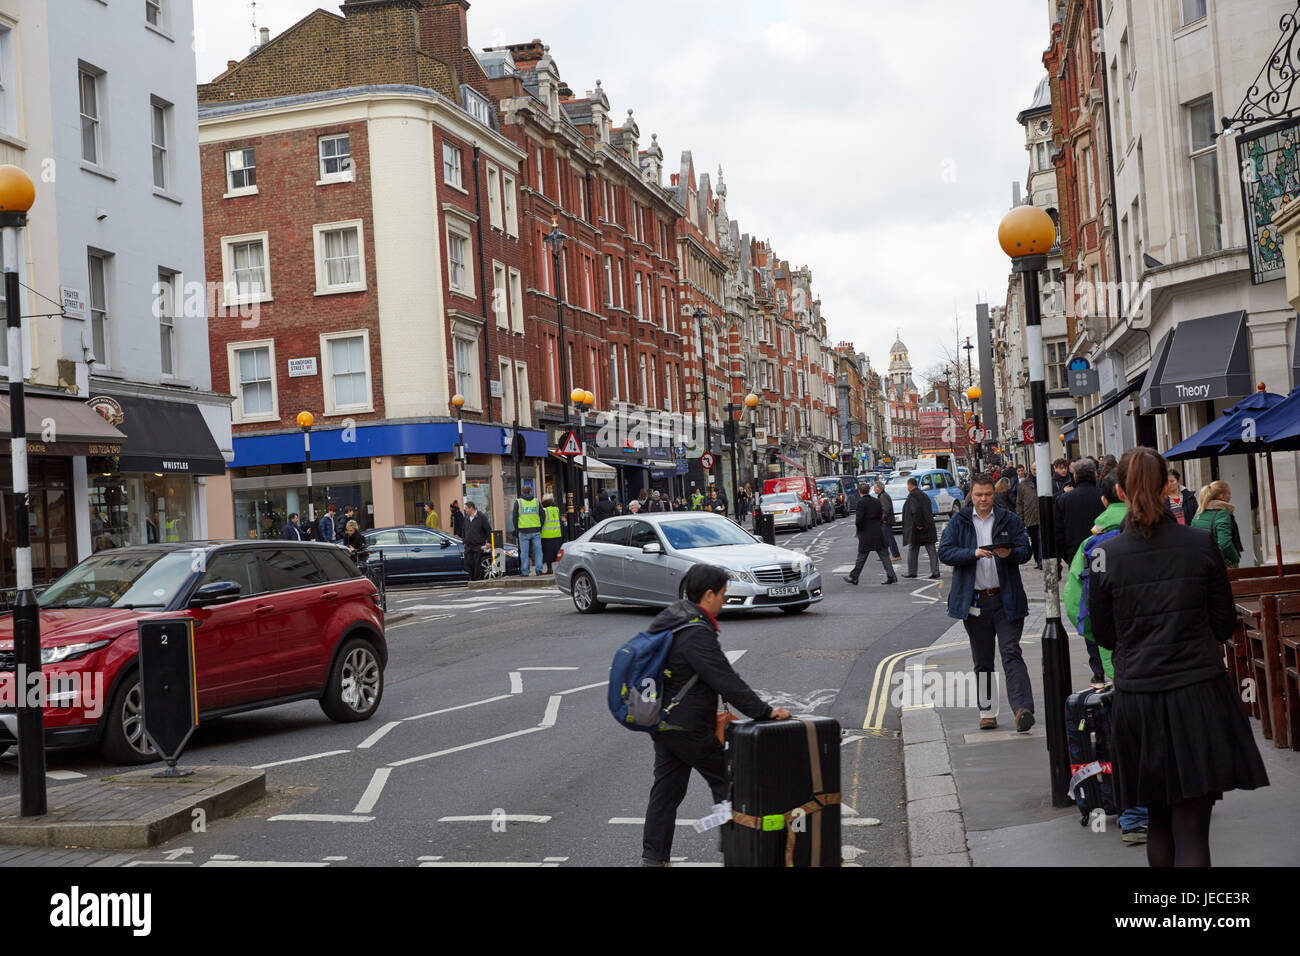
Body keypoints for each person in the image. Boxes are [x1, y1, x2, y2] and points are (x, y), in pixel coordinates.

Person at [1090, 447, 1269, 867]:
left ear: (1120, 491)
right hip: (1198, 696)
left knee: (1158, 822)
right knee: (1192, 828)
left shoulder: (1106, 556)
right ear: (1169, 487)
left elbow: (1104, 634)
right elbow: (1224, 623)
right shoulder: (1200, 543)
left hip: (1140, 700)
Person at [641, 564, 790, 866]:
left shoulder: (672, 619)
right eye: (722, 594)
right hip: (688, 727)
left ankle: (654, 858)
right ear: (708, 595)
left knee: (666, 793)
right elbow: (725, 679)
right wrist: (764, 711)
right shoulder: (695, 632)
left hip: (663, 722)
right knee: (728, 782)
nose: (724, 600)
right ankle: (740, 852)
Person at [937, 472, 1035, 732]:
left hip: (1006, 599)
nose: (983, 499)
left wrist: (1010, 552)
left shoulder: (1009, 519)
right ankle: (988, 712)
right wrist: (972, 553)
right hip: (976, 601)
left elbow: (1026, 551)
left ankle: (1022, 709)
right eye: (979, 495)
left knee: (1011, 652)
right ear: (972, 494)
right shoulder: (960, 521)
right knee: (983, 660)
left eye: (988, 495)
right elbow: (944, 551)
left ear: (994, 494)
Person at [1055, 458, 1105, 569]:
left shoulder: (1063, 500)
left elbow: (1058, 533)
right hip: (1102, 552)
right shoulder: (1104, 496)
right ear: (1095, 475)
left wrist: (1068, 556)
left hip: (1075, 553)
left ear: (1075, 476)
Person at [844, 482, 897, 586]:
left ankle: (854, 577)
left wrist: (859, 530)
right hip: (878, 531)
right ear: (869, 490)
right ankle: (892, 576)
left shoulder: (861, 503)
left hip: (866, 533)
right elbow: (881, 515)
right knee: (884, 556)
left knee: (861, 557)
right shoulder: (876, 501)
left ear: (859, 492)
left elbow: (859, 520)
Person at [1191, 480, 1241, 568]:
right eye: (1228, 493)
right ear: (1221, 496)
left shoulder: (1198, 513)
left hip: (1202, 563)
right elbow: (1224, 543)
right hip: (1220, 564)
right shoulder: (1222, 513)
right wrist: (1235, 559)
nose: (1230, 497)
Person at [901, 477, 939, 579]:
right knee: (931, 550)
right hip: (929, 526)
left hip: (917, 528)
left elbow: (915, 510)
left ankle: (912, 572)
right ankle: (935, 571)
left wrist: (918, 524)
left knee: (913, 549)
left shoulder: (912, 496)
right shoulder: (924, 495)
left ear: (909, 485)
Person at [1016, 462, 1042, 569]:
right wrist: (1020, 518)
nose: (1035, 472)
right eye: (1033, 469)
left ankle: (1041, 560)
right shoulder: (1024, 484)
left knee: (1042, 540)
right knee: (1035, 541)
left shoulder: (1045, 480)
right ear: (1030, 470)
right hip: (1030, 516)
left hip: (1043, 516)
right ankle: (1037, 560)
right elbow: (1019, 502)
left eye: (1037, 469)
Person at [513, 485, 544, 576]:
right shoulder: (537, 501)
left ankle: (525, 571)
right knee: (538, 551)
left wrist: (517, 528)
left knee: (524, 552)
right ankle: (539, 570)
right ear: (531, 491)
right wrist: (539, 526)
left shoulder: (518, 502)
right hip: (536, 530)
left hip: (523, 531)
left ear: (522, 492)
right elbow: (542, 516)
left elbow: (514, 518)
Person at [462, 500, 490, 581]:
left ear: (471, 508)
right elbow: (463, 530)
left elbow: (488, 530)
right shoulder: (466, 518)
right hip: (468, 545)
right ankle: (473, 577)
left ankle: (475, 580)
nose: (465, 510)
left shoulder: (481, 517)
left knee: (476, 563)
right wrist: (464, 541)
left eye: (466, 508)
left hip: (478, 544)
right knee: (468, 562)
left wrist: (489, 542)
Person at [874, 481, 901, 561]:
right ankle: (884, 555)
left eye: (875, 487)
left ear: (879, 488)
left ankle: (896, 555)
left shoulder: (883, 496)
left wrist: (882, 519)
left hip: (886, 521)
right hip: (885, 521)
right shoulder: (882, 495)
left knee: (889, 539)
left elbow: (886, 509)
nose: (874, 489)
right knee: (884, 540)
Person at [540, 495, 563, 573]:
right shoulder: (556, 509)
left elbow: (541, 522)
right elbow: (560, 521)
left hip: (547, 535)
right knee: (558, 554)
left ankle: (550, 569)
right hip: (557, 534)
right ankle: (561, 569)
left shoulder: (544, 510)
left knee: (547, 554)